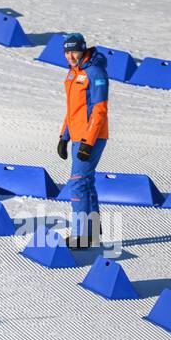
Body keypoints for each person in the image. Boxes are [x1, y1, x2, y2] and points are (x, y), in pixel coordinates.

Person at [57, 32, 110, 249]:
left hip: (92, 136)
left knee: (77, 183)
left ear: (83, 50)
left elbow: (99, 110)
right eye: (67, 52)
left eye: (74, 51)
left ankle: (80, 236)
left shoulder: (95, 72)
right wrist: (64, 136)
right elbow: (73, 111)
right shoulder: (72, 74)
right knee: (85, 182)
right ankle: (93, 232)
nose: (70, 56)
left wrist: (88, 141)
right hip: (77, 135)